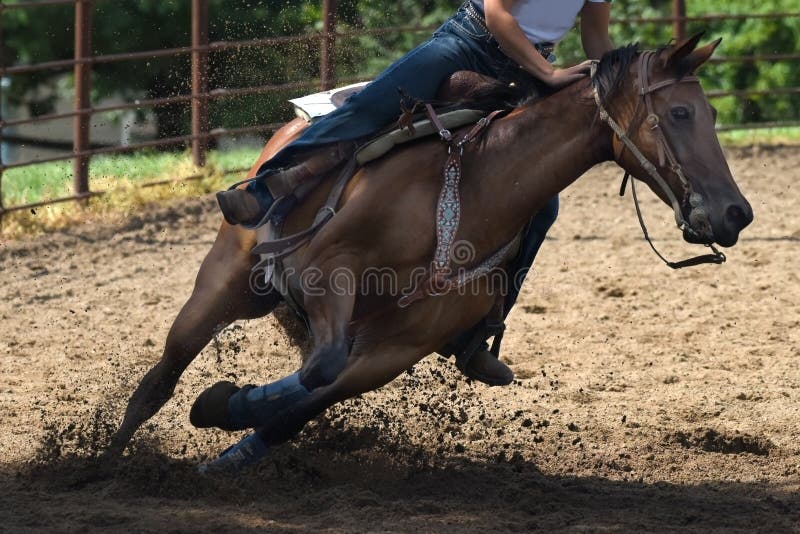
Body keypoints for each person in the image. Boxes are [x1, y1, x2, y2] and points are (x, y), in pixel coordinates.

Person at [217, 0, 613, 385]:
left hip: (526, 71)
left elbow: (596, 37)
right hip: (471, 45)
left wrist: (622, 76)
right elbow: (497, 14)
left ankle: (476, 333)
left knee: (541, 205)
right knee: (370, 109)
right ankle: (264, 189)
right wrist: (551, 74)